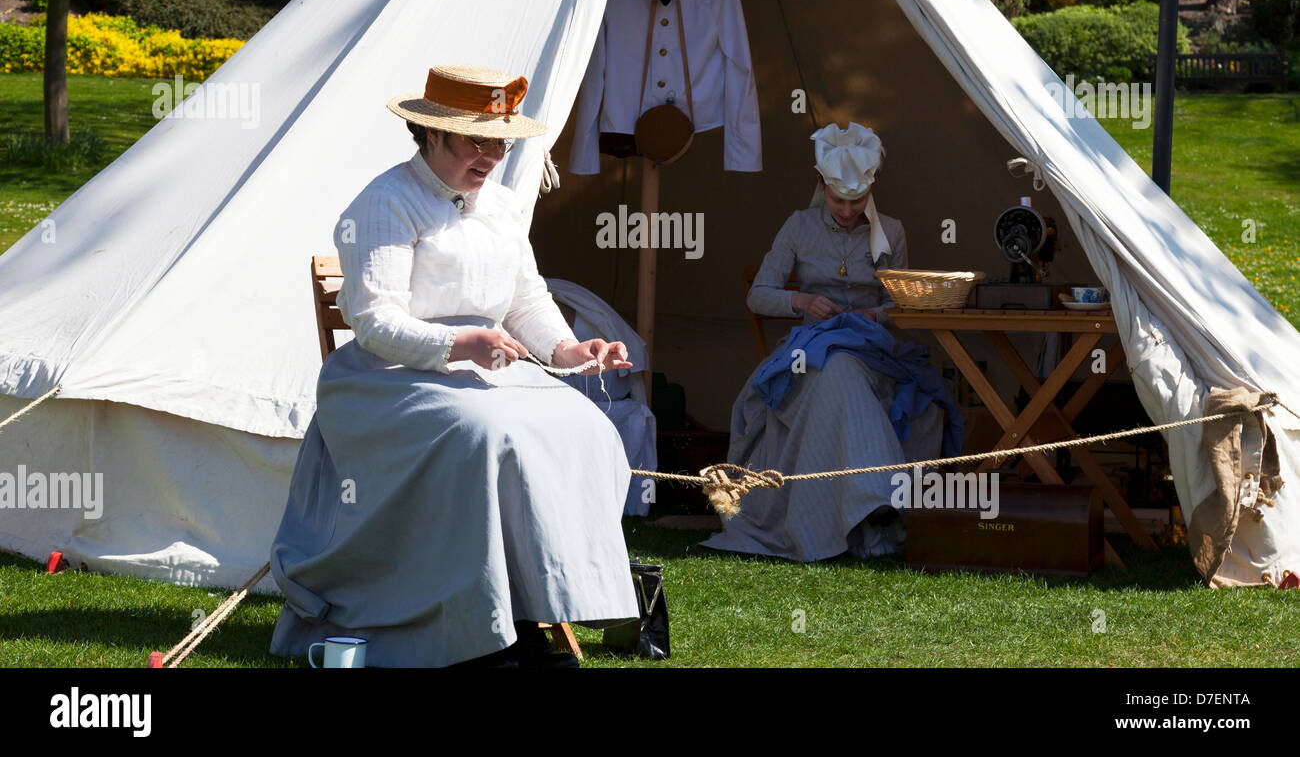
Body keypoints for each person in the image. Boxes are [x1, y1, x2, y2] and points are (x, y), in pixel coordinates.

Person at [269, 63, 640, 667]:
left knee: (590, 427)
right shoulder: (385, 203)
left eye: (501, 141)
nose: (492, 155)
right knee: (486, 435)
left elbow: (526, 300)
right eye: (477, 140)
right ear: (431, 133)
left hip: (481, 374)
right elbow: (374, 320)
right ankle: (476, 631)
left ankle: (531, 614)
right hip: (389, 380)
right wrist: (459, 344)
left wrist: (571, 351)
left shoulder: (502, 205)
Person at [699, 122, 953, 562]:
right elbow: (758, 295)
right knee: (836, 371)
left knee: (892, 389)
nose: (848, 210)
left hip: (872, 352)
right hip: (809, 355)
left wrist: (871, 315)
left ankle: (872, 508)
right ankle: (876, 505)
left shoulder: (891, 231)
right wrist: (802, 301)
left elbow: (901, 309)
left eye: (857, 201)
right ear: (821, 185)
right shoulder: (798, 227)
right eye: (839, 200)